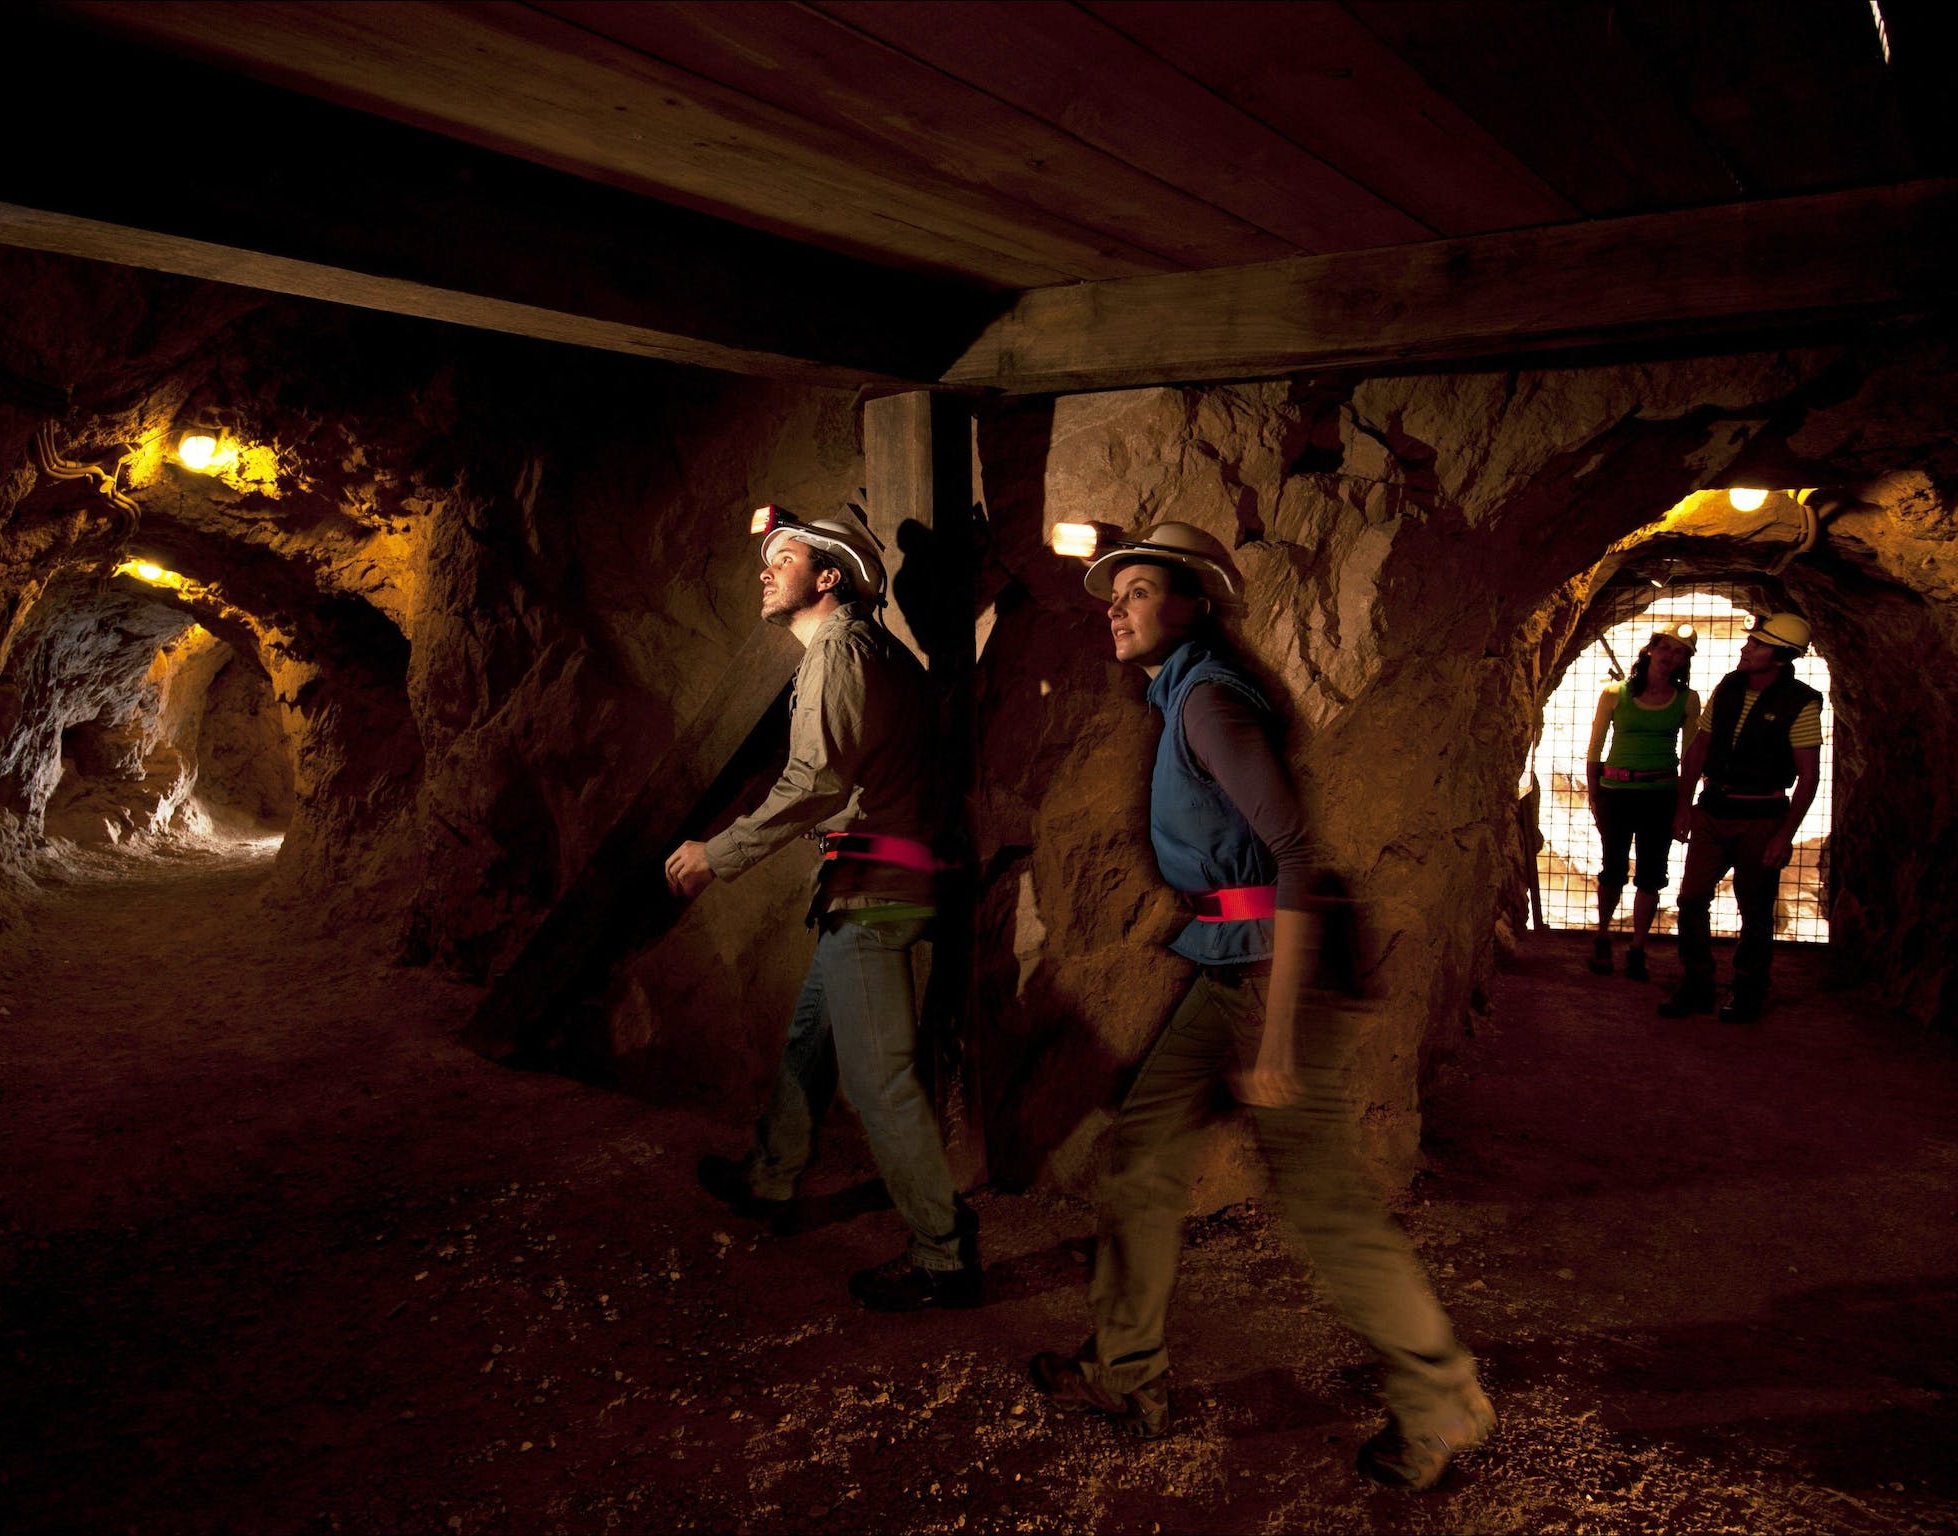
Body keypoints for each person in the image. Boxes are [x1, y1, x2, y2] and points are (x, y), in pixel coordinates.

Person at [1028, 520, 1495, 1492]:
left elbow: (1290, 855)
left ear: (1193, 604)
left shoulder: (1206, 703)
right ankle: (1122, 1374)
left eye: (1140, 588)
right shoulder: (1183, 697)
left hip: (1275, 980)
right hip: (1226, 967)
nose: (1114, 604)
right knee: (1141, 1159)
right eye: (1115, 592)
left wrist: (1277, 1030)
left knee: (1322, 1206)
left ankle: (1441, 1399)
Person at [663, 503, 979, 1311]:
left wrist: (718, 853)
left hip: (874, 892)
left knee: (879, 1083)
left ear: (830, 577)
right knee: (813, 1036)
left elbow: (816, 782)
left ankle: (943, 1255)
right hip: (875, 882)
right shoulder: (863, 650)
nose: (765, 569)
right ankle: (771, 1175)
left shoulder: (840, 650)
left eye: (787, 556)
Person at [1659, 612, 1823, 1024]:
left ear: (1782, 657)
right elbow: (1700, 746)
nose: (1746, 648)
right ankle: (1697, 983)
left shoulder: (1801, 702)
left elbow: (1808, 775)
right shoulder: (1730, 687)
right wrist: (1684, 804)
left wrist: (1784, 836)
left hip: (1761, 817)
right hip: (1715, 810)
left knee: (1755, 907)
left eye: (1757, 645)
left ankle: (1748, 989)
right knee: (1691, 898)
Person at [1583, 626, 1700, 980]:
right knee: (1613, 868)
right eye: (1665, 647)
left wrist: (1684, 806)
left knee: (1651, 873)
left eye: (1680, 652)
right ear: (1650, 650)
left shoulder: (1687, 700)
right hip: (1617, 792)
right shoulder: (1614, 694)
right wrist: (1594, 795)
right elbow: (1595, 749)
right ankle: (1602, 936)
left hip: (1659, 794)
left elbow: (1691, 756)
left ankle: (1637, 947)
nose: (1670, 656)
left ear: (1686, 661)